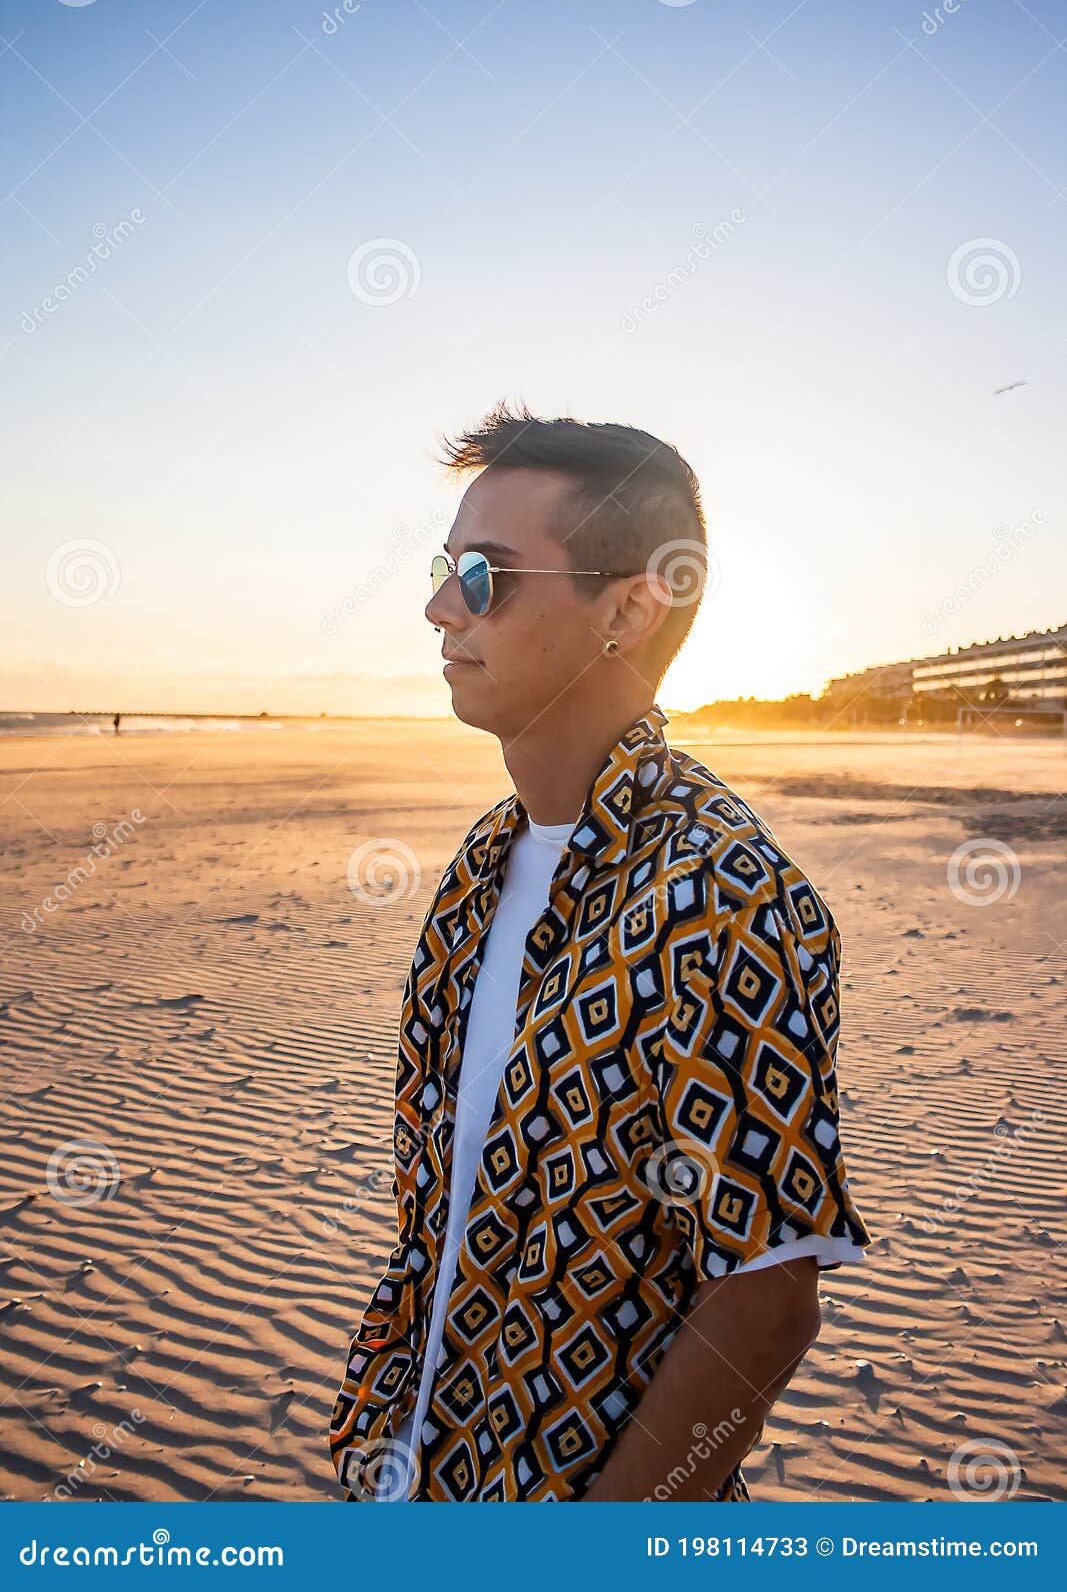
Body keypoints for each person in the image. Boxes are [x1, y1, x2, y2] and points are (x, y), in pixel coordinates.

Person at [330, 405, 871, 1503]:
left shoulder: (717, 889)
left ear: (627, 604)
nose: (438, 606)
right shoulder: (481, 864)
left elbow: (764, 1297)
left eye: (483, 576)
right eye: (444, 570)